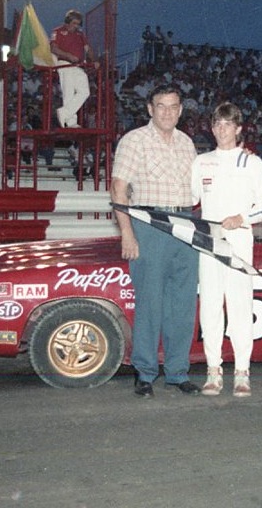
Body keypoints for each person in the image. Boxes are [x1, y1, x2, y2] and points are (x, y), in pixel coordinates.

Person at [111, 85, 200, 398]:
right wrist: (127, 232)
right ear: (150, 108)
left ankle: (177, 372)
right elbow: (118, 188)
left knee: (183, 303)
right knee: (150, 301)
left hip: (185, 223)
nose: (167, 112)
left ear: (180, 110)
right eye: (161, 106)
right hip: (149, 224)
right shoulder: (135, 140)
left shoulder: (187, 143)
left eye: (173, 106)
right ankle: (145, 373)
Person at [191, 103, 262, 398]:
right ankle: (213, 371)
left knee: (240, 306)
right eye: (216, 124)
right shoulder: (201, 162)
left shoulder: (252, 163)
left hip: (239, 241)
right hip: (209, 242)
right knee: (211, 306)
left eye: (227, 125)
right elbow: (189, 198)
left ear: (239, 129)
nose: (221, 130)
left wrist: (243, 218)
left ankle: (242, 371)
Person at [50, 9, 97, 128]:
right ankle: (71, 122)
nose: (76, 26)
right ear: (67, 22)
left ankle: (64, 113)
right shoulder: (58, 31)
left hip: (78, 66)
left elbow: (87, 49)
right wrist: (68, 55)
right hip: (65, 64)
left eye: (78, 24)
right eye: (73, 23)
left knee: (85, 91)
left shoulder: (80, 34)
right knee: (69, 93)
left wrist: (94, 60)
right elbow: (54, 49)